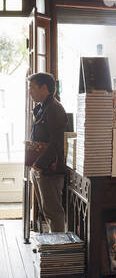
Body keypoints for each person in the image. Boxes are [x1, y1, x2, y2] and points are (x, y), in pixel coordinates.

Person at [25, 73, 71, 234]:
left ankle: (58, 252)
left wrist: (39, 163)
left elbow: (57, 143)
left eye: (32, 87)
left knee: (53, 212)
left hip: (49, 170)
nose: (30, 91)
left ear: (44, 88)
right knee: (47, 211)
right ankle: (53, 248)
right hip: (40, 168)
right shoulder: (42, 107)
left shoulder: (55, 109)